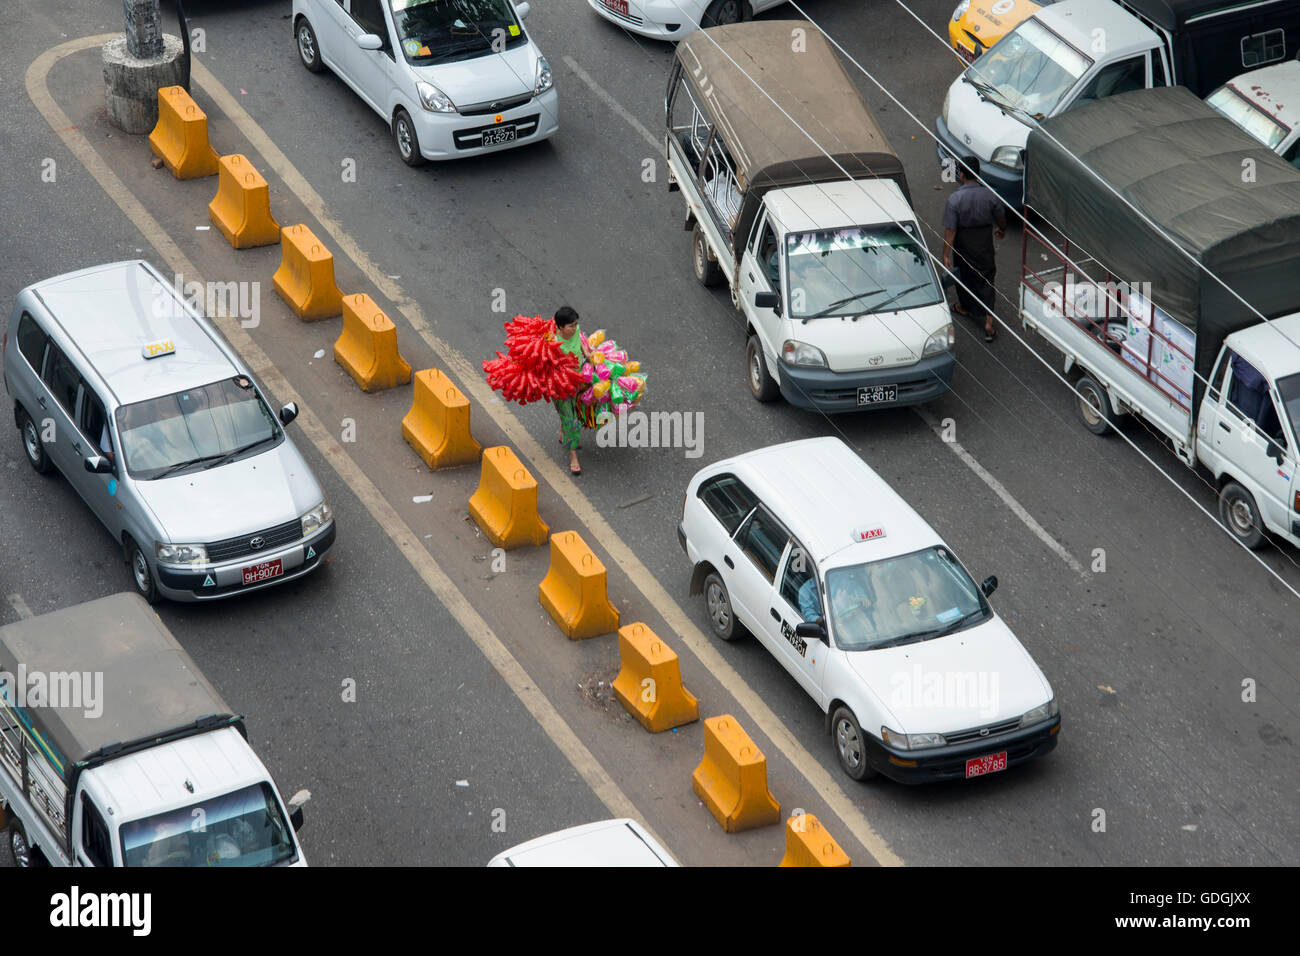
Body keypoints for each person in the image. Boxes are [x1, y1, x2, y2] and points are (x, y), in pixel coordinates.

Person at [942, 156, 1007, 343]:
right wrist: (1001, 230)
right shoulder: (989, 195)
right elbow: (1000, 216)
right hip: (984, 243)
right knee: (987, 279)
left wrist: (946, 253)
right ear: (978, 174)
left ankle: (966, 307)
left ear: (961, 175)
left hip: (964, 245)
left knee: (965, 277)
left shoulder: (955, 199)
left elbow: (950, 230)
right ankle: (988, 322)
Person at [553, 305, 591, 477]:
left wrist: (589, 356)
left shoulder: (576, 331)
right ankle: (573, 456)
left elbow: (581, 340)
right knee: (571, 420)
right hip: (561, 387)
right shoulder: (553, 343)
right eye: (571, 326)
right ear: (560, 327)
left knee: (571, 411)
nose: (574, 328)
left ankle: (564, 431)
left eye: (576, 324)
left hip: (577, 382)